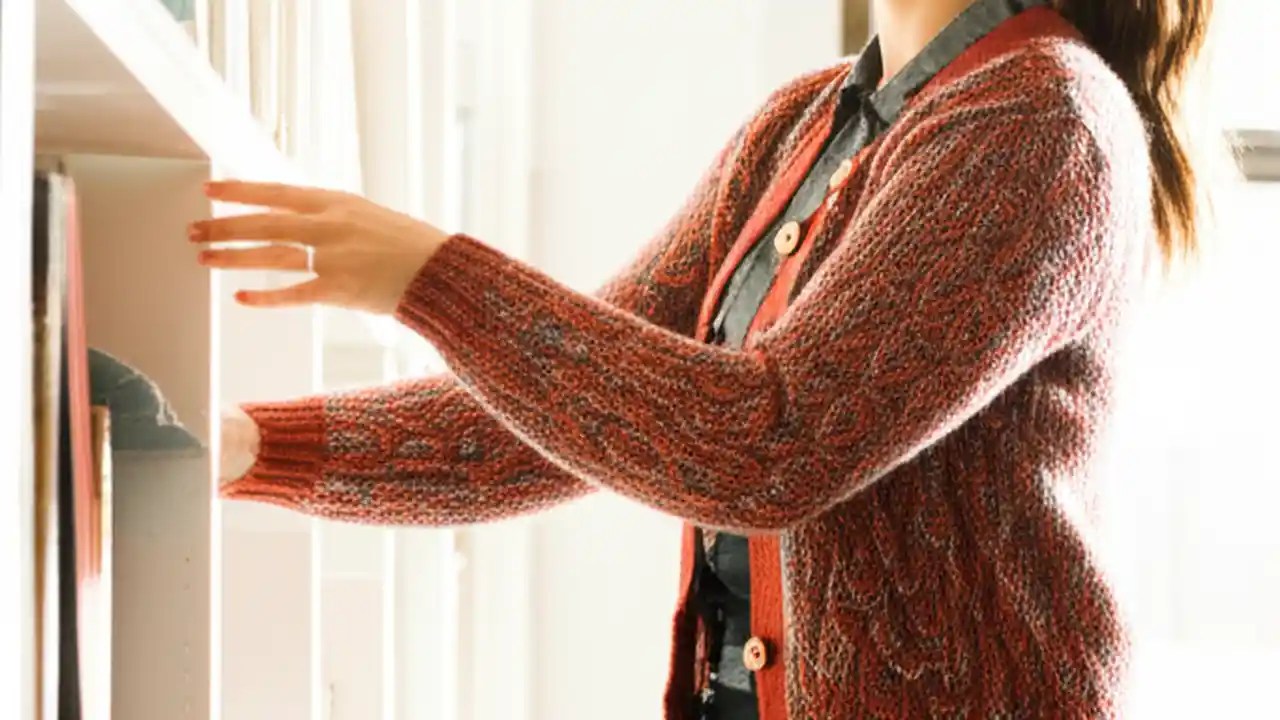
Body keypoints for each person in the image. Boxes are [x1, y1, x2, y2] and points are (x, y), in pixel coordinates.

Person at [191, 0, 1210, 717]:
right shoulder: (801, 127)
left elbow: (768, 446)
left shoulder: (1041, 121)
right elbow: (560, 416)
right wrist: (237, 447)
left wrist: (435, 281)